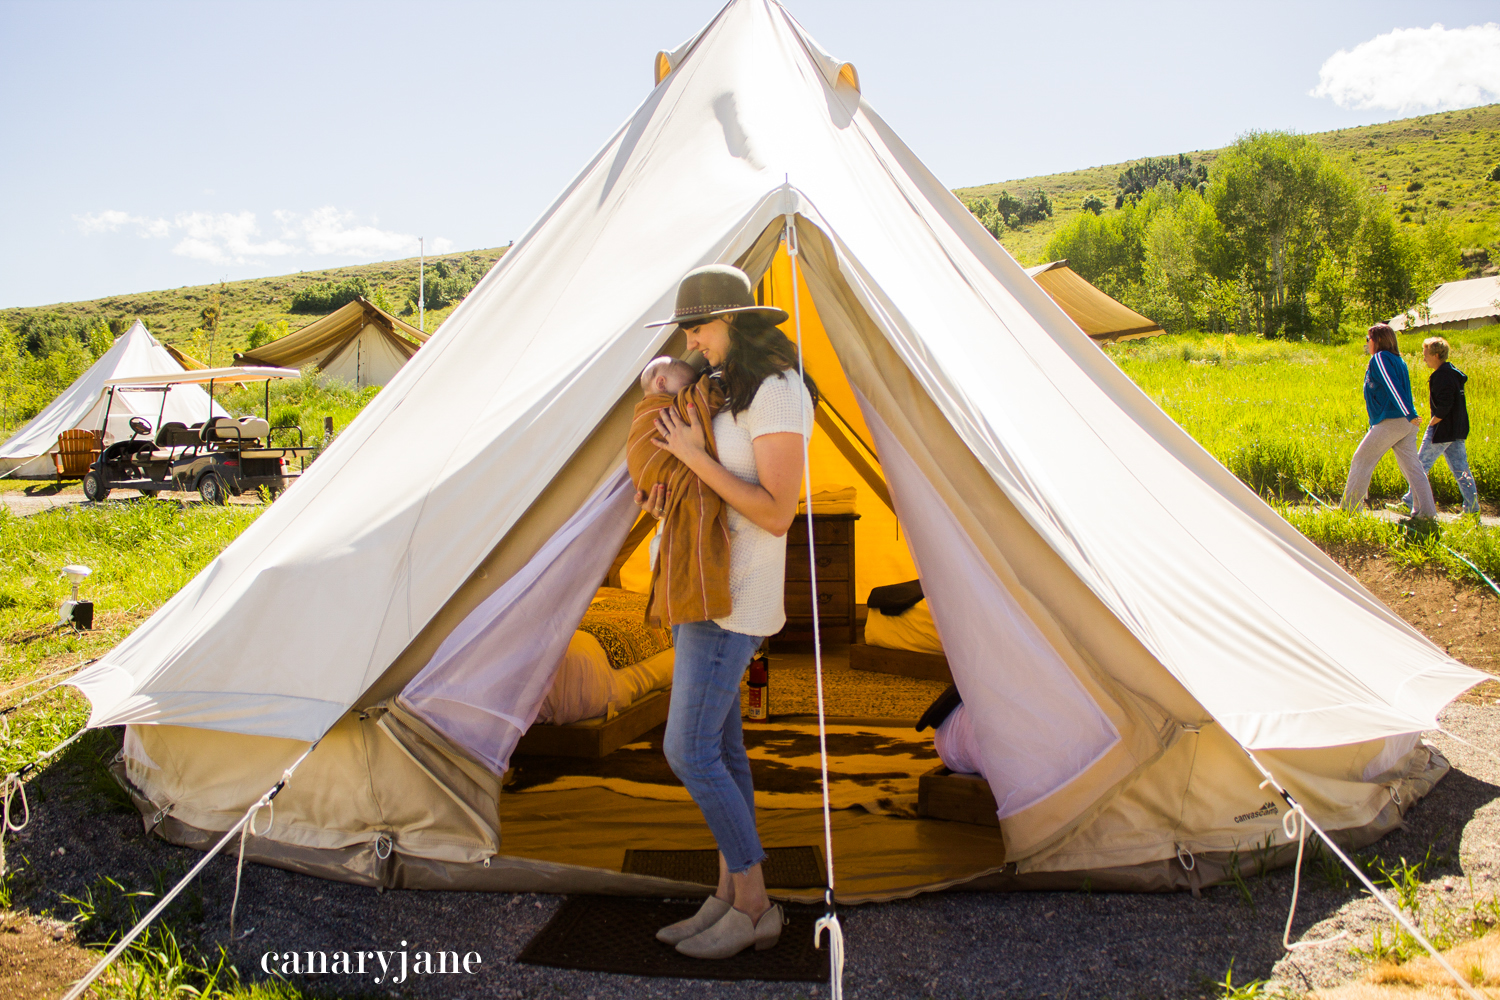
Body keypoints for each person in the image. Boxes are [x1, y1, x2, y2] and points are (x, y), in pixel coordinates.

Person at [636, 263, 815, 959]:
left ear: (734, 322)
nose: (691, 341)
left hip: (733, 598)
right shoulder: (722, 390)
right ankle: (727, 896)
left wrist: (691, 456)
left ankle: (758, 904)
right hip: (698, 584)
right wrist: (671, 491)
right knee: (723, 751)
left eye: (699, 327)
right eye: (685, 330)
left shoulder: (779, 393)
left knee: (688, 751)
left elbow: (775, 513)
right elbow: (708, 486)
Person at [628, 356, 732, 626]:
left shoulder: (658, 408)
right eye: (688, 384)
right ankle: (695, 600)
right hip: (665, 483)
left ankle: (684, 601)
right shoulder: (660, 411)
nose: (694, 386)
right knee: (697, 525)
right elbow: (703, 403)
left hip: (669, 485)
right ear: (661, 383)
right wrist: (713, 386)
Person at [1340, 322, 1436, 519]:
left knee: (1361, 459)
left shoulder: (1380, 358)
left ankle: (1349, 511)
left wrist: (1408, 413)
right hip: (1404, 423)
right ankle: (1426, 514)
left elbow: (1392, 387)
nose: (1367, 343)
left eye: (1368, 339)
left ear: (1378, 340)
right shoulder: (1397, 359)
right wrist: (1409, 416)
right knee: (1413, 468)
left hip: (1395, 420)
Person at [1397, 336, 1480, 516]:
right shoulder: (1452, 373)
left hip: (1442, 430)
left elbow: (1445, 403)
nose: (1423, 357)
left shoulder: (1441, 375)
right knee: (1461, 470)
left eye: (1425, 353)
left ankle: (1409, 502)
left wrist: (1434, 421)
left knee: (1419, 465)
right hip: (1457, 429)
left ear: (1436, 354)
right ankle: (1472, 510)